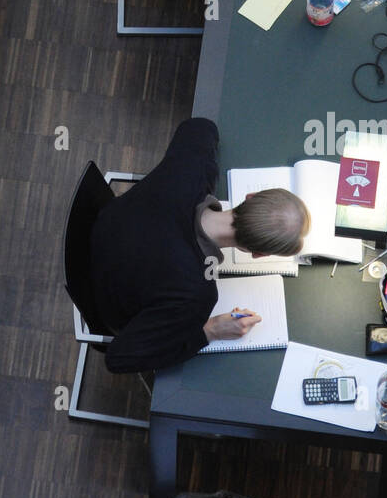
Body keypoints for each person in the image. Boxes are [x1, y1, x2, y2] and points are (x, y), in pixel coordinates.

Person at [89, 118, 310, 372]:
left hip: (102, 228)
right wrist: (210, 331)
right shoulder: (195, 296)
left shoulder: (189, 171)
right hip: (103, 300)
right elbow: (119, 359)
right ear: (259, 254)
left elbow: (201, 127)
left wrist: (206, 173)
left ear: (250, 196)